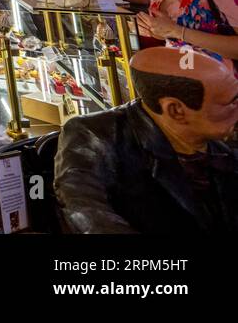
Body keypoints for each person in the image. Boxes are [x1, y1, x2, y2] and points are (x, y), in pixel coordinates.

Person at [54, 47, 238, 232]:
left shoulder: (223, 139)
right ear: (176, 110)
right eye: (232, 102)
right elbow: (85, 211)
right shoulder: (96, 135)